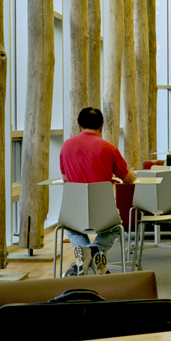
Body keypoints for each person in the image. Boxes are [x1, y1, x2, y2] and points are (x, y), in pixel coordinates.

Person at [57, 106, 136, 274]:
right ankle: (95, 251)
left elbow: (65, 179)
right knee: (115, 226)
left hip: (75, 212)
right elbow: (128, 179)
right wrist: (131, 174)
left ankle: (85, 254)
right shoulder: (109, 148)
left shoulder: (66, 146)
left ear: (79, 127)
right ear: (101, 127)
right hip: (103, 213)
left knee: (71, 228)